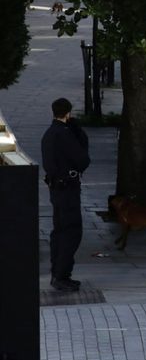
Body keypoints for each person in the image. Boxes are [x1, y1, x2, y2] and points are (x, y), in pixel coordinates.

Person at [41, 97, 90, 291]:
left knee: (59, 230)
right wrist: (78, 132)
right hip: (68, 188)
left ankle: (57, 272)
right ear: (68, 113)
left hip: (55, 188)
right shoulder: (65, 134)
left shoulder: (49, 134)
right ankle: (62, 275)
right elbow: (83, 159)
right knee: (72, 231)